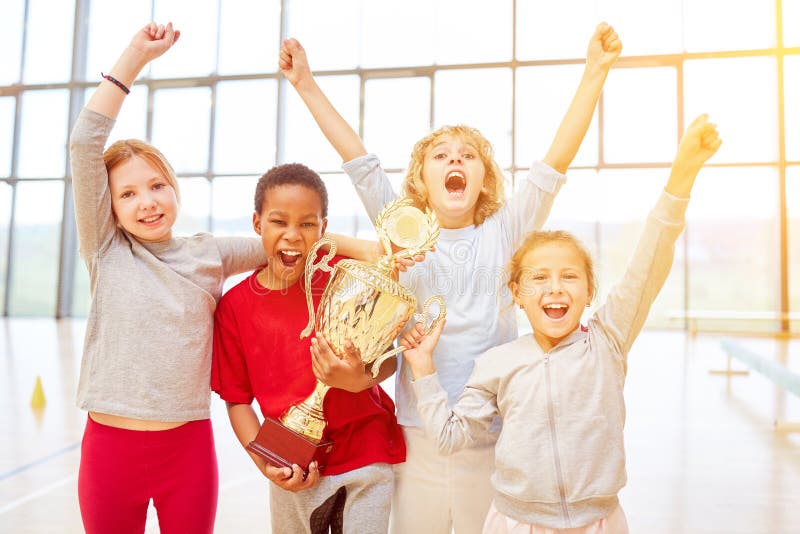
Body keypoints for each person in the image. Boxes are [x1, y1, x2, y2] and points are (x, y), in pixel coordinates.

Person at [280, 22, 622, 533]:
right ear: (421, 179)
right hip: (419, 430)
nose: (455, 160)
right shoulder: (401, 226)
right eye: (441, 156)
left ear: (485, 177)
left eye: (468, 156)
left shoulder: (507, 228)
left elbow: (556, 160)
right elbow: (359, 162)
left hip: (494, 432)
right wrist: (305, 83)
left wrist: (595, 72)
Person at [70, 23, 383, 534]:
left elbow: (288, 244)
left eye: (156, 185)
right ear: (109, 207)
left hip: (187, 448)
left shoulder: (209, 255)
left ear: (174, 190)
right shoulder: (105, 250)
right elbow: (85, 143)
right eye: (127, 194)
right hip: (110, 447)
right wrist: (135, 57)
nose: (146, 201)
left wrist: (363, 248)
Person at [401, 115, 722, 533]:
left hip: (598, 522)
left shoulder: (607, 342)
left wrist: (682, 177)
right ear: (515, 293)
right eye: (539, 277)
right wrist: (423, 367)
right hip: (515, 524)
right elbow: (448, 438)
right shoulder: (496, 364)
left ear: (590, 291)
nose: (555, 289)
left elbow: (652, 257)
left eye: (570, 276)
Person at [211, 163, 406, 534]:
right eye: (279, 222)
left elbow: (388, 360)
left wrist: (359, 380)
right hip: (291, 460)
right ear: (257, 224)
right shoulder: (235, 306)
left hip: (365, 453)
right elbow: (237, 401)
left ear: (323, 229)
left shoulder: (346, 275)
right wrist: (265, 462)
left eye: (307, 223)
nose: (292, 235)